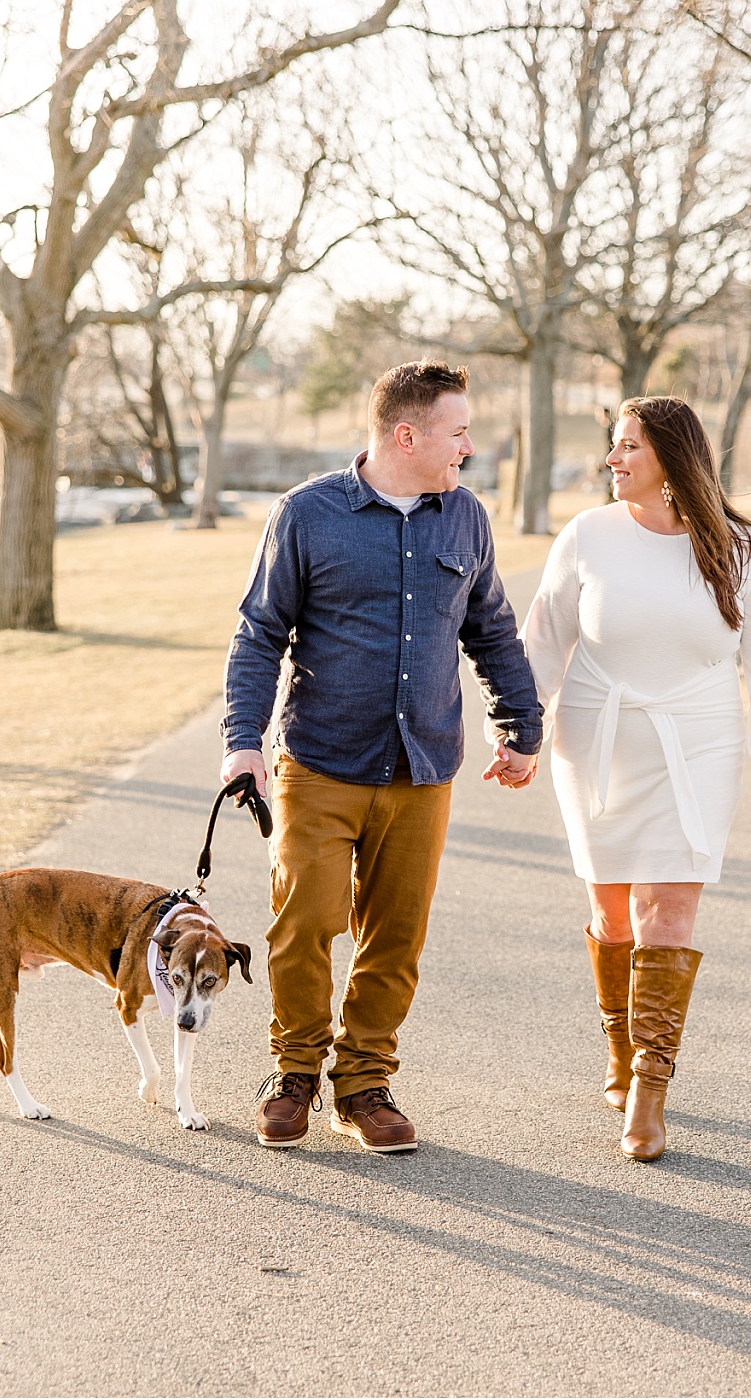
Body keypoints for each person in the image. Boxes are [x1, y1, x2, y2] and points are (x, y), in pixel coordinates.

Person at [220, 361, 542, 1153]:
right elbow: (260, 632)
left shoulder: (465, 517)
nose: (469, 446)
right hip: (320, 762)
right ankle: (294, 1071)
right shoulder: (307, 514)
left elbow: (491, 628)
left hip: (422, 768)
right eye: (458, 432)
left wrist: (521, 726)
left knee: (395, 937)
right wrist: (242, 744)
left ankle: (363, 1084)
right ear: (407, 435)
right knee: (305, 923)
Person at [522, 396, 751, 1162]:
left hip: (699, 741)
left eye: (627, 447)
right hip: (599, 739)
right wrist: (518, 732)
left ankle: (651, 1087)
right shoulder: (587, 536)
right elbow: (543, 640)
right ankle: (621, 1053)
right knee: (613, 912)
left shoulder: (746, 551)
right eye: (613, 446)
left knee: (672, 909)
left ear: (671, 457)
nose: (611, 460)